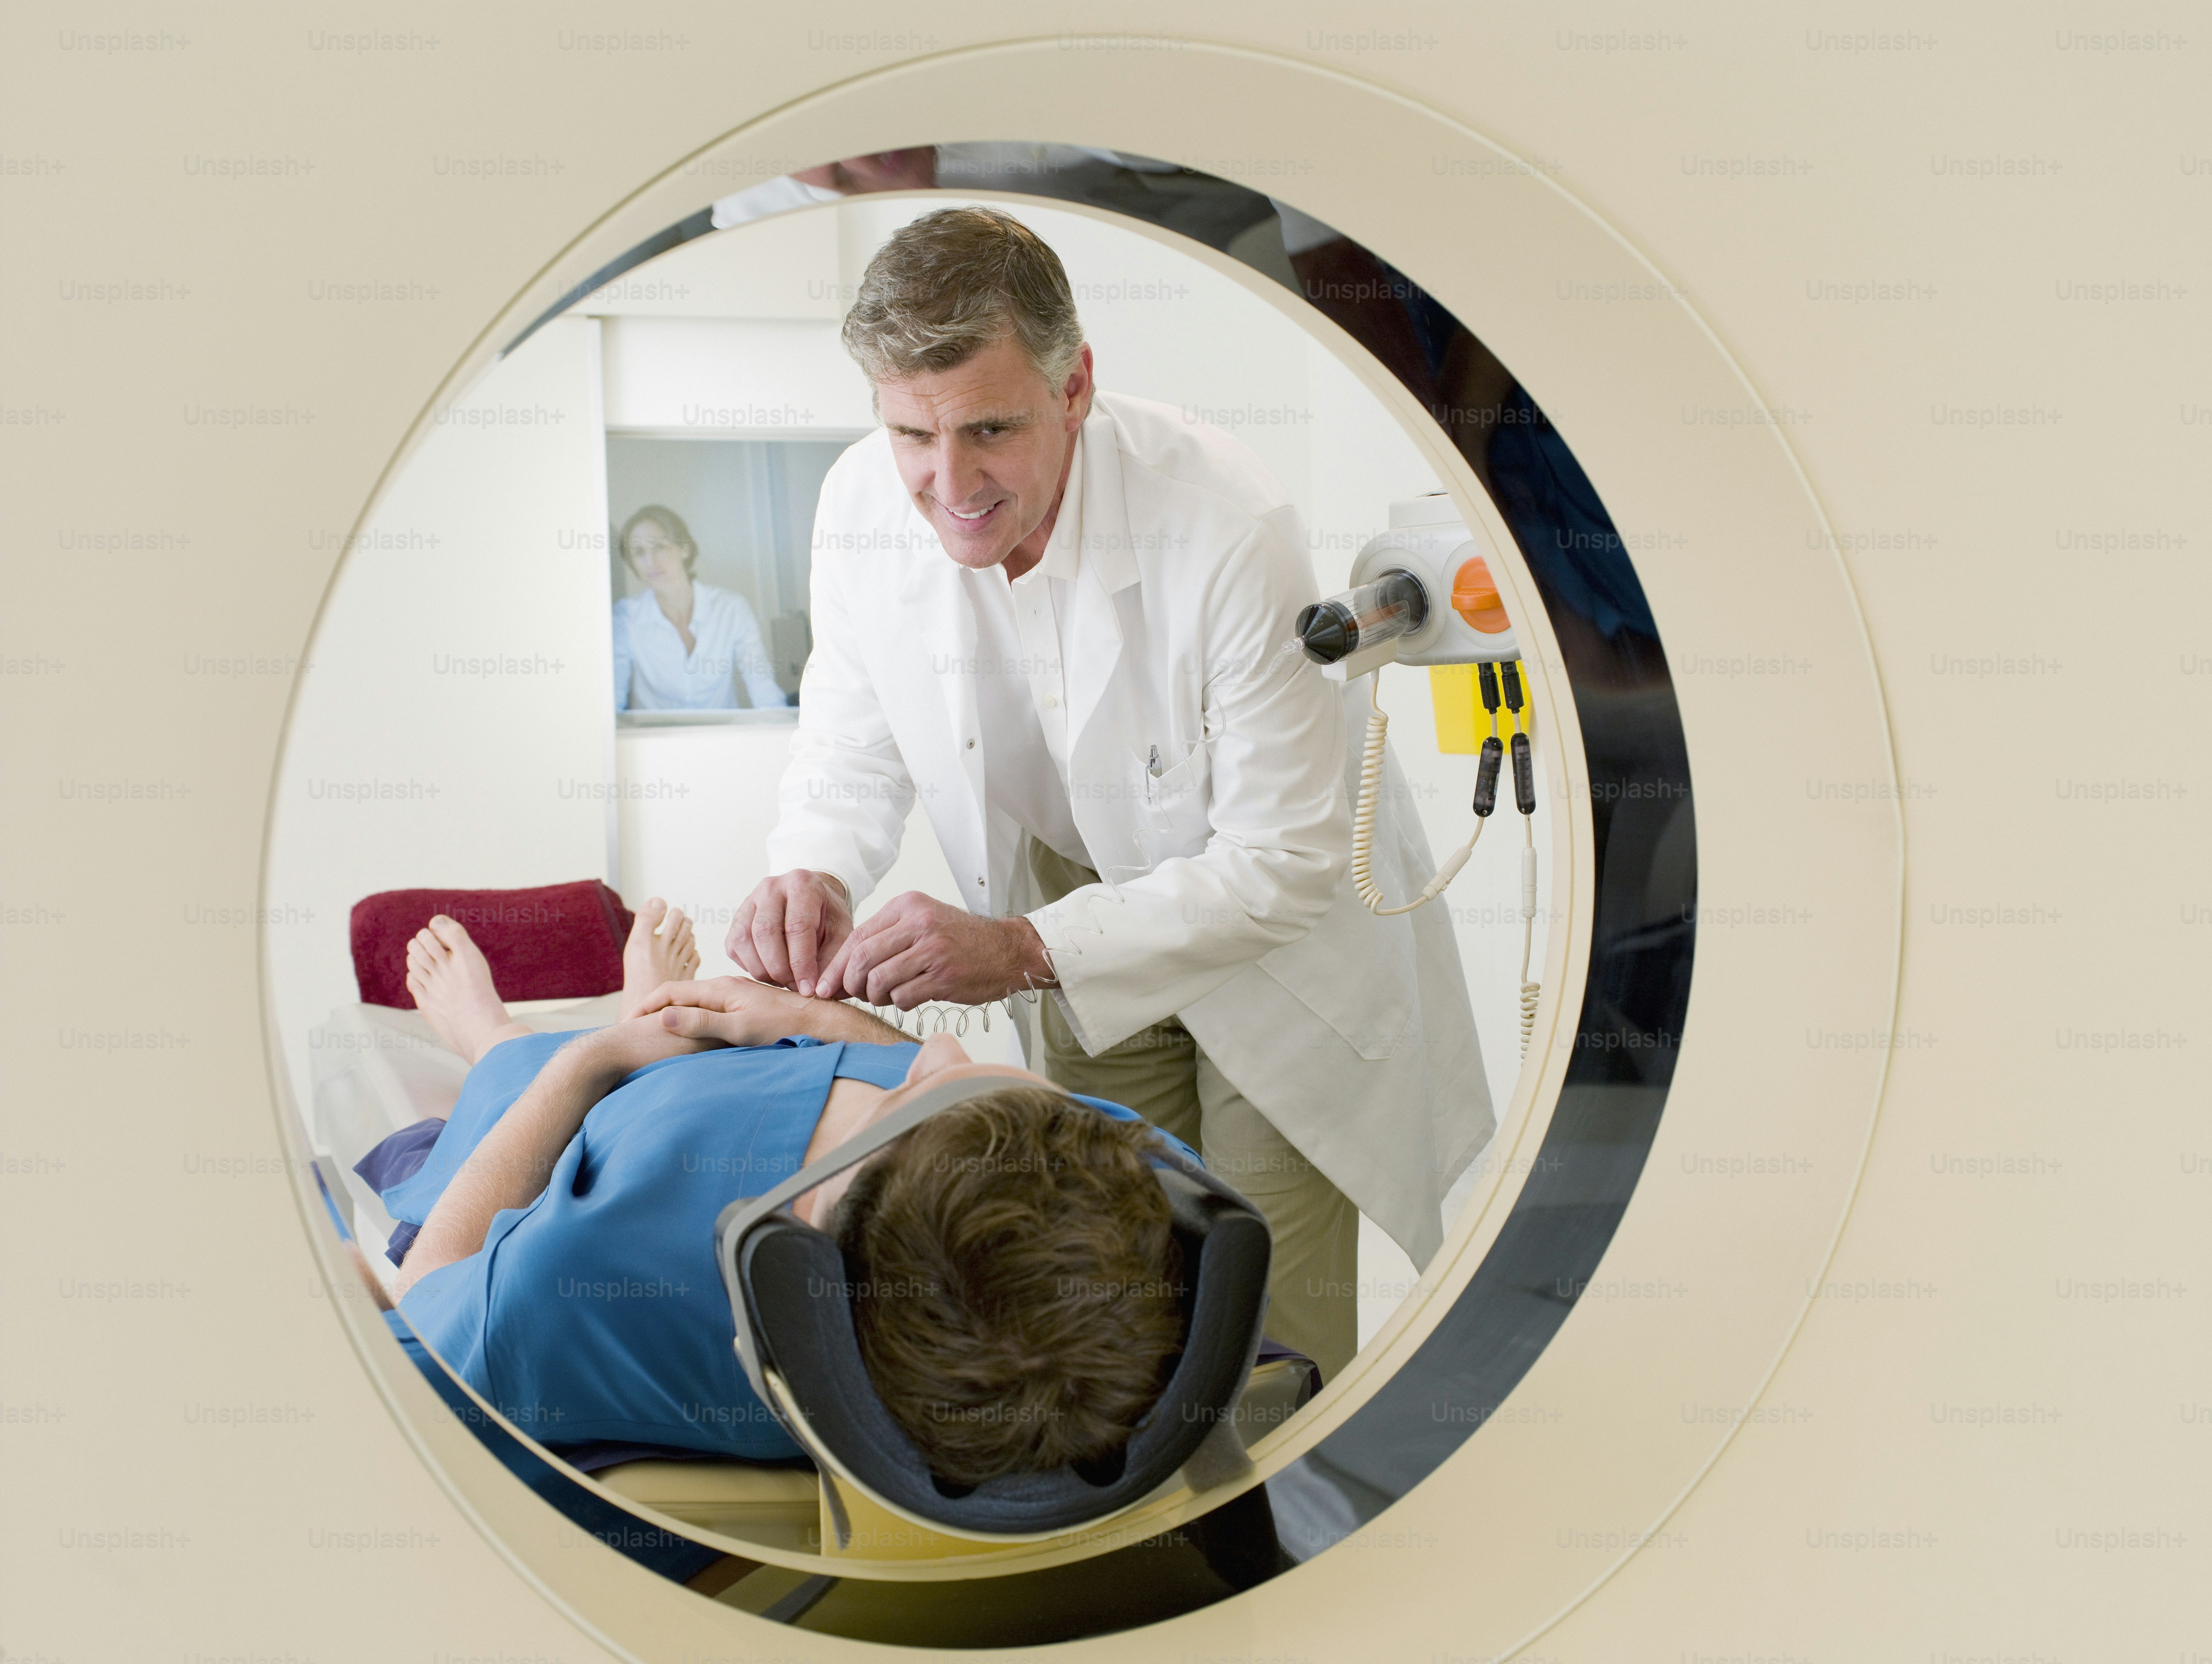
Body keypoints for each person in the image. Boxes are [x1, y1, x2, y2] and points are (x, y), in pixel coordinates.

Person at [731, 206, 1491, 1381]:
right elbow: (849, 733)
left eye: (989, 428)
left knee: (1259, 1318)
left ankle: (1269, 1543)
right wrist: (814, 865)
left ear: (1074, 386)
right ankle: (1139, 1551)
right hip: (1064, 898)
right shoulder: (856, 507)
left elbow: (1282, 864)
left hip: (1267, 933)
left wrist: (1022, 949)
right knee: (1112, 1279)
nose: (949, 482)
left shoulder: (1225, 524)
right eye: (910, 436)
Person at [373, 907, 1192, 1480]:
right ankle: (665, 1026)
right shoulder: (1122, 1186)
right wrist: (818, 1021)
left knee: (540, 1084)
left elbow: (423, 1303)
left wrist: (591, 1062)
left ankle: (500, 1040)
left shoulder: (563, 1277)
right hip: (746, 1089)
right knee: (704, 1041)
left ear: (797, 1226)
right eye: (979, 1087)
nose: (937, 1043)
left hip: (623, 1130)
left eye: (900, 1097)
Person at [610, 504, 790, 712]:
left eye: (659, 547)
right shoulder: (625, 617)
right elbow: (613, 701)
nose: (650, 561)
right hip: (657, 741)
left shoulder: (731, 609)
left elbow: (764, 690)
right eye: (639, 552)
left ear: (684, 549)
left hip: (721, 739)